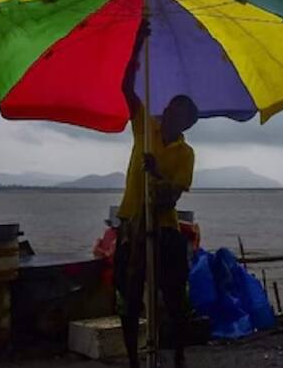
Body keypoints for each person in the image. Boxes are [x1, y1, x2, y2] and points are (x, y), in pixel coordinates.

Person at [114, 92, 197, 368]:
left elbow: (171, 197)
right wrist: (135, 53)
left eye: (179, 112)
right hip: (131, 221)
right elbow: (127, 90)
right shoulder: (145, 126)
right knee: (128, 296)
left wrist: (156, 172)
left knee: (175, 296)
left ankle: (179, 356)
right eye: (170, 107)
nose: (170, 113)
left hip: (164, 226)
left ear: (187, 123)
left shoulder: (186, 154)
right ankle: (133, 360)